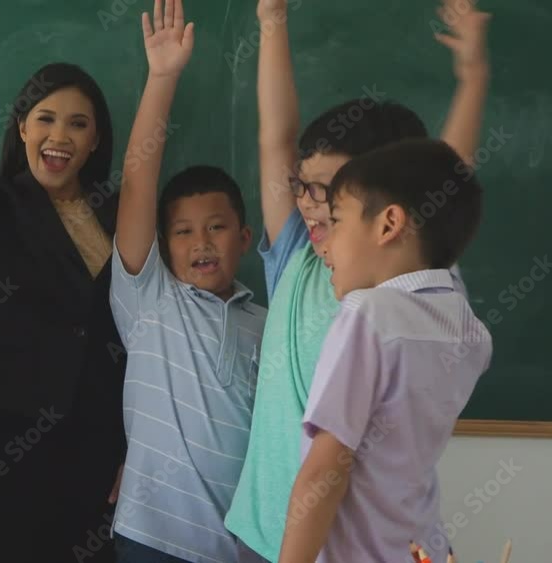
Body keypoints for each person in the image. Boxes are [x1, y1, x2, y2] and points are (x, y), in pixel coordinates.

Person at [225, 1, 492, 560]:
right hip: (267, 529)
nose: (309, 203)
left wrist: (473, 79)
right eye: (303, 184)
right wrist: (271, 21)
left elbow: (446, 172)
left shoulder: (403, 292)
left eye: (331, 192)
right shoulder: (298, 252)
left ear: (387, 211)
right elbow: (277, 136)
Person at [0, 1, 127, 560]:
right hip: (19, 427)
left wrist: (133, 442)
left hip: (102, 429)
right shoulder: (1, 205)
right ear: (22, 128)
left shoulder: (118, 211)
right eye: (45, 118)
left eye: (78, 123)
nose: (59, 135)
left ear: (95, 141)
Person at [277, 138, 491, 562]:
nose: (326, 242)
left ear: (389, 224)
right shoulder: (470, 332)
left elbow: (326, 470)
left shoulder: (368, 313)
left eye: (337, 221)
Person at [108, 2, 266, 561]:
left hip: (245, 545)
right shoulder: (148, 299)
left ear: (244, 238)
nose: (201, 242)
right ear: (161, 241)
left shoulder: (266, 323)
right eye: (182, 232)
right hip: (154, 539)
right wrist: (163, 76)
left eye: (217, 228)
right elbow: (135, 184)